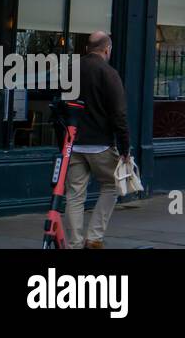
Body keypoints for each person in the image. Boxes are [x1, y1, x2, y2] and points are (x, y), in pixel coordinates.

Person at [66, 31, 130, 249]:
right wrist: (124, 147)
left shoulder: (71, 70)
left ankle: (74, 244)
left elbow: (60, 107)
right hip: (100, 144)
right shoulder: (109, 73)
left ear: (86, 49)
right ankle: (93, 238)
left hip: (73, 143)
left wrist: (63, 141)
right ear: (107, 49)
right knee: (112, 184)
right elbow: (119, 114)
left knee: (74, 194)